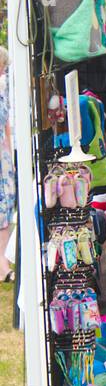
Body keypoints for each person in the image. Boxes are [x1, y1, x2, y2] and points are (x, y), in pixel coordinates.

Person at [0, 47, 13, 282]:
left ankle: (3, 260)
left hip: (3, 156)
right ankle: (2, 265)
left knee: (7, 208)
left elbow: (6, 124)